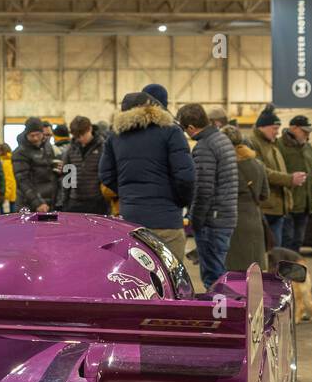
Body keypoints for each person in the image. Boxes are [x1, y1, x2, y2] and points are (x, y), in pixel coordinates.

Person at [97, 85, 195, 261]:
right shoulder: (172, 131)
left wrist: (127, 194)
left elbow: (105, 175)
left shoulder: (114, 137)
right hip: (167, 222)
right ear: (153, 108)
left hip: (131, 221)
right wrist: (180, 202)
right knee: (172, 283)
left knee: (138, 281)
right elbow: (186, 177)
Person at [177, 103, 238, 286]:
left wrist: (195, 221)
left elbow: (203, 190)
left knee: (213, 277)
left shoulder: (204, 147)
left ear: (191, 128)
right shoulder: (222, 139)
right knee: (219, 269)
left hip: (212, 220)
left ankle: (219, 312)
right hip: (225, 217)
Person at [249, 106, 304, 246]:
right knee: (264, 252)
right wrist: (289, 179)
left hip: (277, 208)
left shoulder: (272, 146)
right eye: (274, 128)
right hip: (264, 208)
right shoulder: (252, 144)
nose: (277, 132)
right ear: (262, 127)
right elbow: (261, 172)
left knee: (276, 253)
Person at [222, 124, 269, 272]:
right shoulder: (258, 164)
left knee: (234, 272)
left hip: (232, 224)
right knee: (254, 272)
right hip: (255, 222)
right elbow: (264, 194)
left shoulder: (226, 166)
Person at [279, 114, 312, 252]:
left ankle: (293, 270)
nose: (307, 135)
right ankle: (281, 271)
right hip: (288, 204)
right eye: (304, 131)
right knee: (286, 241)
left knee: (298, 241)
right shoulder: (279, 146)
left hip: (305, 203)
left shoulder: (308, 148)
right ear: (294, 128)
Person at [57, 116, 108, 214]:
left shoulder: (103, 147)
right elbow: (66, 176)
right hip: (74, 202)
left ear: (90, 129)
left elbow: (106, 174)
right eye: (77, 136)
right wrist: (65, 201)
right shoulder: (70, 149)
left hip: (96, 202)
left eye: (82, 135)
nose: (80, 138)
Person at [11, 116, 58, 212]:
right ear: (26, 134)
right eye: (32, 135)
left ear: (42, 133)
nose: (36, 138)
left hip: (48, 203)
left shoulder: (47, 147)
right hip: (28, 204)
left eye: (38, 134)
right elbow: (23, 180)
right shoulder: (20, 152)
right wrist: (37, 202)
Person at [0, 142, 16, 213]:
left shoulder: (5, 163)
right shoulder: (5, 161)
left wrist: (5, 195)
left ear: (1, 151)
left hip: (6, 196)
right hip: (5, 194)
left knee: (6, 219)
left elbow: (8, 180)